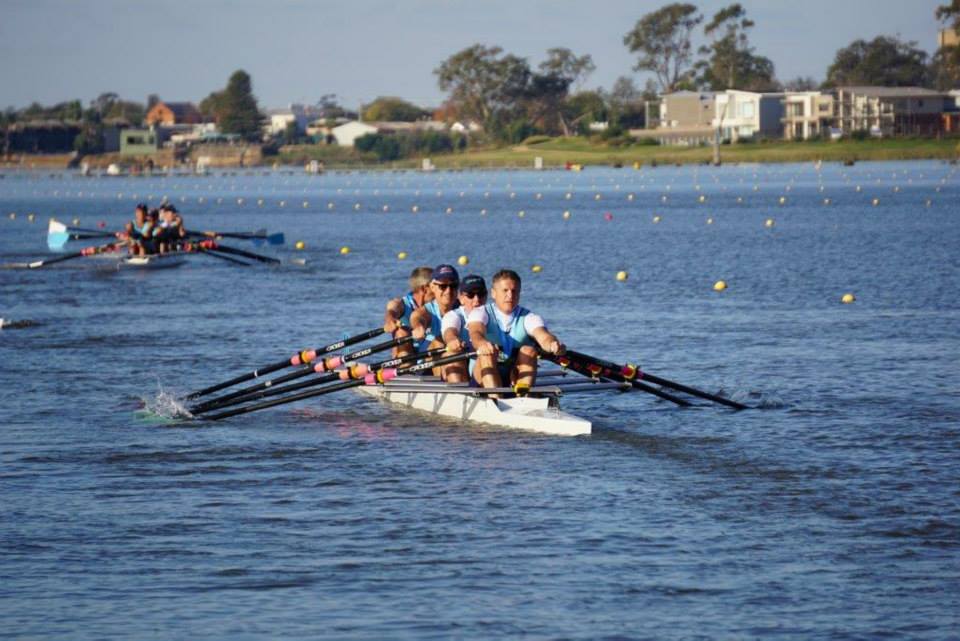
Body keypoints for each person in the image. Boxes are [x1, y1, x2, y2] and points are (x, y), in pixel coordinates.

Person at [467, 269, 565, 395]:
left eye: (514, 291)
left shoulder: (530, 317)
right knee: (487, 354)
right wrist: (482, 344)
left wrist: (553, 344)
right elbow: (476, 333)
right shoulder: (480, 313)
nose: (510, 295)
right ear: (493, 293)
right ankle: (495, 398)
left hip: (515, 376)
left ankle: (523, 397)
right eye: (505, 291)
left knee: (529, 351)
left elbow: (543, 336)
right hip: (481, 379)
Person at [409, 264, 462, 379]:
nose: (448, 291)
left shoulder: (463, 308)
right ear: (432, 287)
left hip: (459, 362)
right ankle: (445, 384)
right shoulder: (428, 311)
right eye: (443, 286)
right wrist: (418, 327)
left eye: (453, 286)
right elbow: (417, 317)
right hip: (427, 368)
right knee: (438, 342)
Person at [438, 274, 488, 384]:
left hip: (485, 367)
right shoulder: (453, 316)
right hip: (462, 369)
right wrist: (452, 340)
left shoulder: (493, 314)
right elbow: (449, 331)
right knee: (451, 355)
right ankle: (459, 394)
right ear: (461, 298)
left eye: (481, 294)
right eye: (470, 295)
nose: (477, 300)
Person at [383, 266, 434, 358]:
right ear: (424, 289)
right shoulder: (404, 304)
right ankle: (404, 366)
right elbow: (392, 307)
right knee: (401, 333)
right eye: (435, 286)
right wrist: (390, 319)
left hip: (431, 354)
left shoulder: (437, 305)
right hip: (408, 354)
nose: (439, 291)